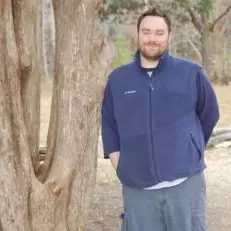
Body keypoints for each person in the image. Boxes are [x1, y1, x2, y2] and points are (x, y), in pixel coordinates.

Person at [101, 7, 219, 231]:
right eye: (146, 32)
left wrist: (191, 148)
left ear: (169, 36)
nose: (152, 38)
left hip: (185, 185)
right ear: (137, 34)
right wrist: (120, 166)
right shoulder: (118, 80)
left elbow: (210, 113)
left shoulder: (191, 73)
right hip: (138, 191)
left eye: (159, 33)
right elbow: (109, 125)